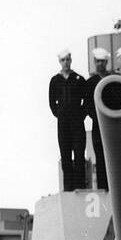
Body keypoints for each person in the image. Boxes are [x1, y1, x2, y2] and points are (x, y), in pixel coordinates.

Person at [48, 49, 88, 190]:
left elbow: (86, 100)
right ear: (60, 62)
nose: (66, 62)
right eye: (63, 60)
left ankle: (80, 186)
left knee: (79, 153)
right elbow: (52, 102)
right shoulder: (55, 81)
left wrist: (80, 115)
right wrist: (59, 113)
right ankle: (68, 187)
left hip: (77, 123)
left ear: (71, 60)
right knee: (65, 154)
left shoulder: (78, 79)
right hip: (63, 123)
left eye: (68, 59)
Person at [84, 47, 111, 189]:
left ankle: (113, 184)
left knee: (111, 155)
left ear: (106, 62)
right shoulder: (90, 82)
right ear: (94, 62)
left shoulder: (112, 80)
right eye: (98, 61)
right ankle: (103, 185)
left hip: (112, 124)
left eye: (103, 61)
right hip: (97, 124)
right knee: (99, 154)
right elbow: (88, 104)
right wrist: (97, 116)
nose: (100, 64)